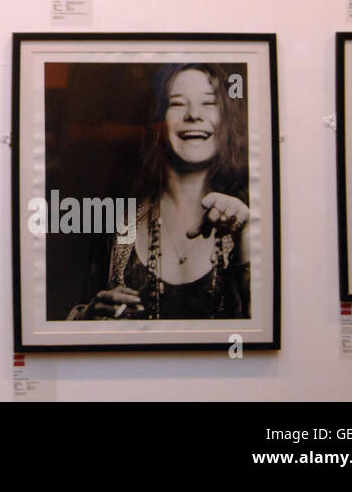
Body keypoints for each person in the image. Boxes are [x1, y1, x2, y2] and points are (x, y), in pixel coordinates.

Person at [71, 63, 250, 320]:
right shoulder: (120, 225)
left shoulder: (251, 220)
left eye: (209, 103)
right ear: (157, 122)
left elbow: (270, 332)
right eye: (177, 103)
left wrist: (247, 237)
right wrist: (87, 319)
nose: (193, 115)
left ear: (227, 122)